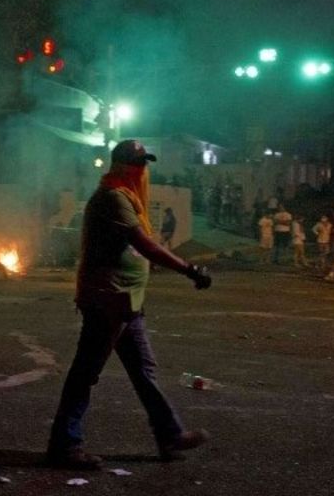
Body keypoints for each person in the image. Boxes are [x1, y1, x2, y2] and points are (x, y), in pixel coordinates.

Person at [46, 139, 212, 470]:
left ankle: (169, 434)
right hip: (109, 299)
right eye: (138, 164)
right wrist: (189, 270)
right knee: (86, 373)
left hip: (126, 301)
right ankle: (64, 446)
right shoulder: (113, 198)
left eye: (144, 164)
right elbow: (144, 244)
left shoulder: (125, 198)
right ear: (121, 166)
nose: (143, 171)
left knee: (144, 371)